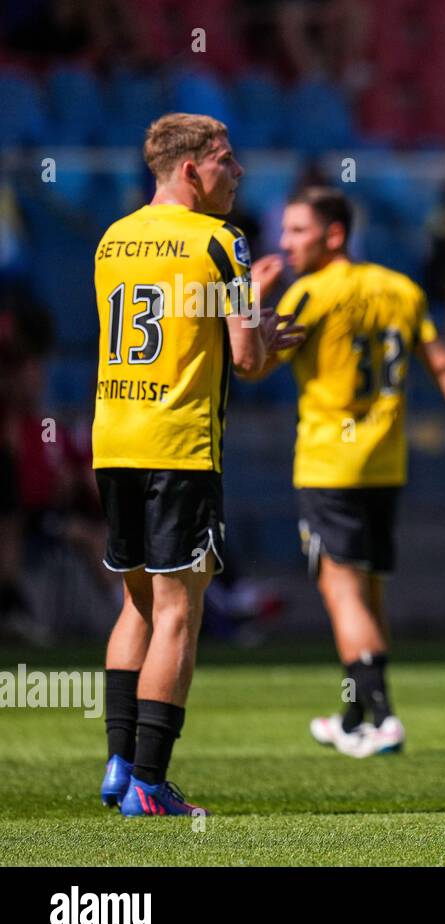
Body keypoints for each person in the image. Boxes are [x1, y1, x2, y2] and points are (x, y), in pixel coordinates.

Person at [249, 187, 445, 757]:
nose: (285, 242)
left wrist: (253, 303)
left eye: (298, 231)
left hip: (328, 464)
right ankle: (353, 716)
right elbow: (443, 366)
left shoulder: (311, 295)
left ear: (335, 234)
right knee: (368, 593)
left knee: (342, 592)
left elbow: (253, 366)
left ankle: (385, 718)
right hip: (385, 463)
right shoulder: (399, 289)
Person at [94, 113, 301, 816]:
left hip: (113, 438)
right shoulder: (221, 243)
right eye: (226, 160)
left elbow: (171, 323)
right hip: (178, 445)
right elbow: (243, 361)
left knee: (134, 603)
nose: (237, 172)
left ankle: (120, 766)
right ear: (190, 170)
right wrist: (272, 341)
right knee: (180, 610)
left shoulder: (112, 238)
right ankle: (150, 784)